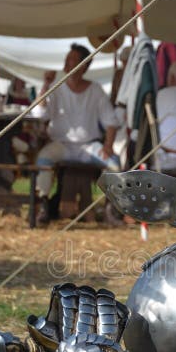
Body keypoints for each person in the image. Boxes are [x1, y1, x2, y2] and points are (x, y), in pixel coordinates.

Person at [35, 43, 121, 223]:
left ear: (83, 65)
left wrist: (108, 146)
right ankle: (42, 204)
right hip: (62, 145)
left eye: (71, 60)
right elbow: (40, 113)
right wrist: (45, 85)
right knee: (43, 158)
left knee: (114, 164)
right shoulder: (56, 87)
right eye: (66, 60)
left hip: (88, 146)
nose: (66, 64)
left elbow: (111, 122)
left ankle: (110, 209)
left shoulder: (95, 90)